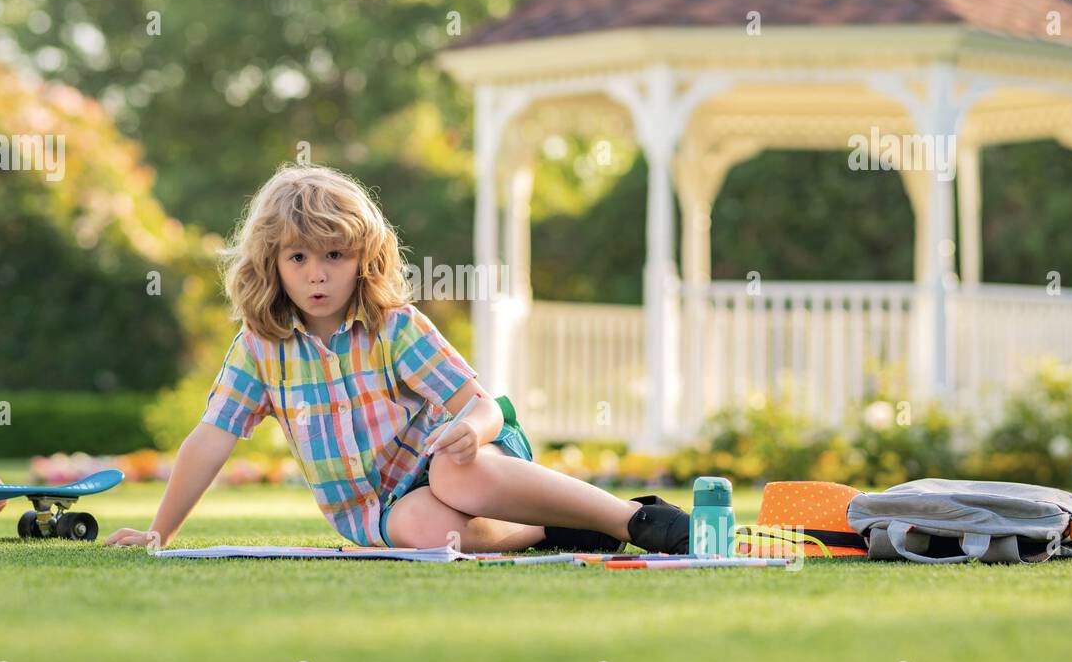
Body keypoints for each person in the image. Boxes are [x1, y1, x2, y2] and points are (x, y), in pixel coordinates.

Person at [105, 163, 689, 554]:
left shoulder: (394, 326)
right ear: (271, 264)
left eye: (334, 254)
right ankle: (548, 528)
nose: (317, 273)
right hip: (376, 512)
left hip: (465, 462)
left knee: (452, 469)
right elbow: (211, 438)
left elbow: (482, 406)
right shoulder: (260, 349)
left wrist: (468, 429)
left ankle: (631, 518)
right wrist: (159, 532)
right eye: (299, 257)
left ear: (362, 257)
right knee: (425, 531)